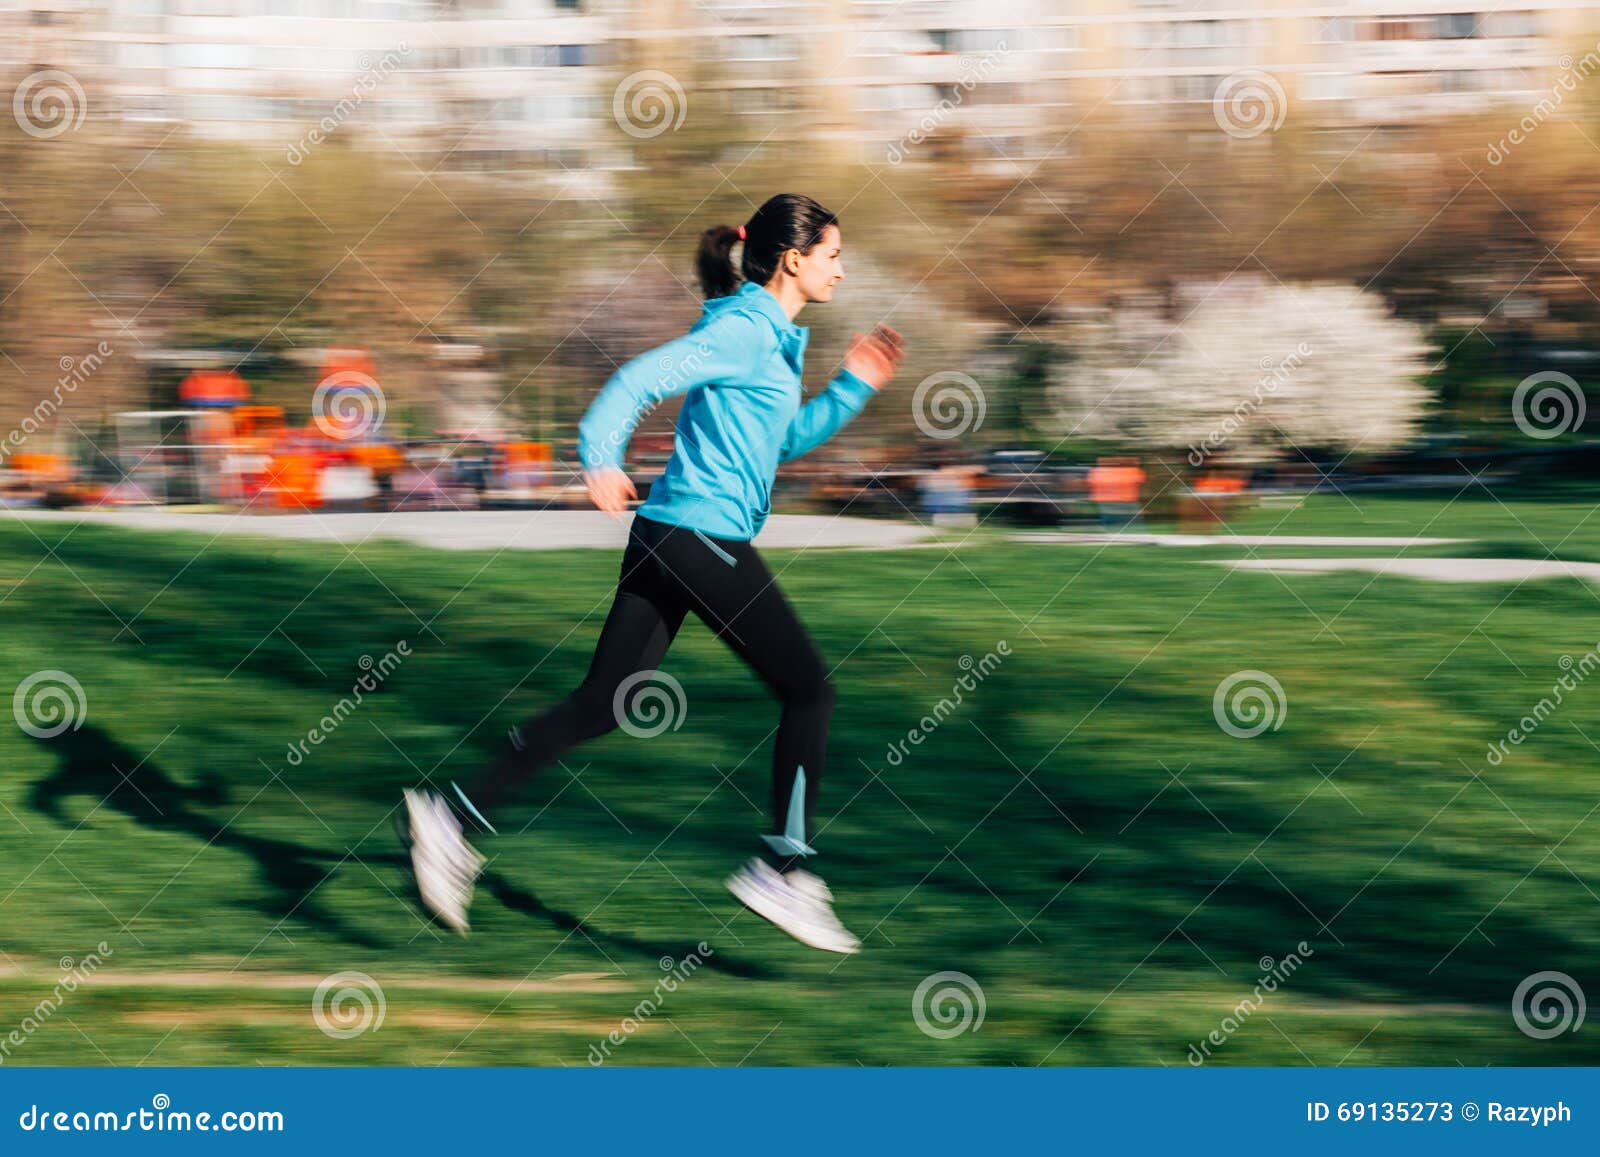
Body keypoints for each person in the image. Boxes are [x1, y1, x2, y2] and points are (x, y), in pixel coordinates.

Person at [402, 193, 906, 953]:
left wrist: (852, 387)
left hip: (669, 535)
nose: (841, 269)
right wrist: (600, 457)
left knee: (604, 702)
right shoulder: (745, 331)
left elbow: (777, 443)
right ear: (794, 259)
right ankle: (784, 868)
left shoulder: (768, 337)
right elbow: (639, 378)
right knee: (810, 691)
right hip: (700, 536)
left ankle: (453, 818)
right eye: (833, 255)